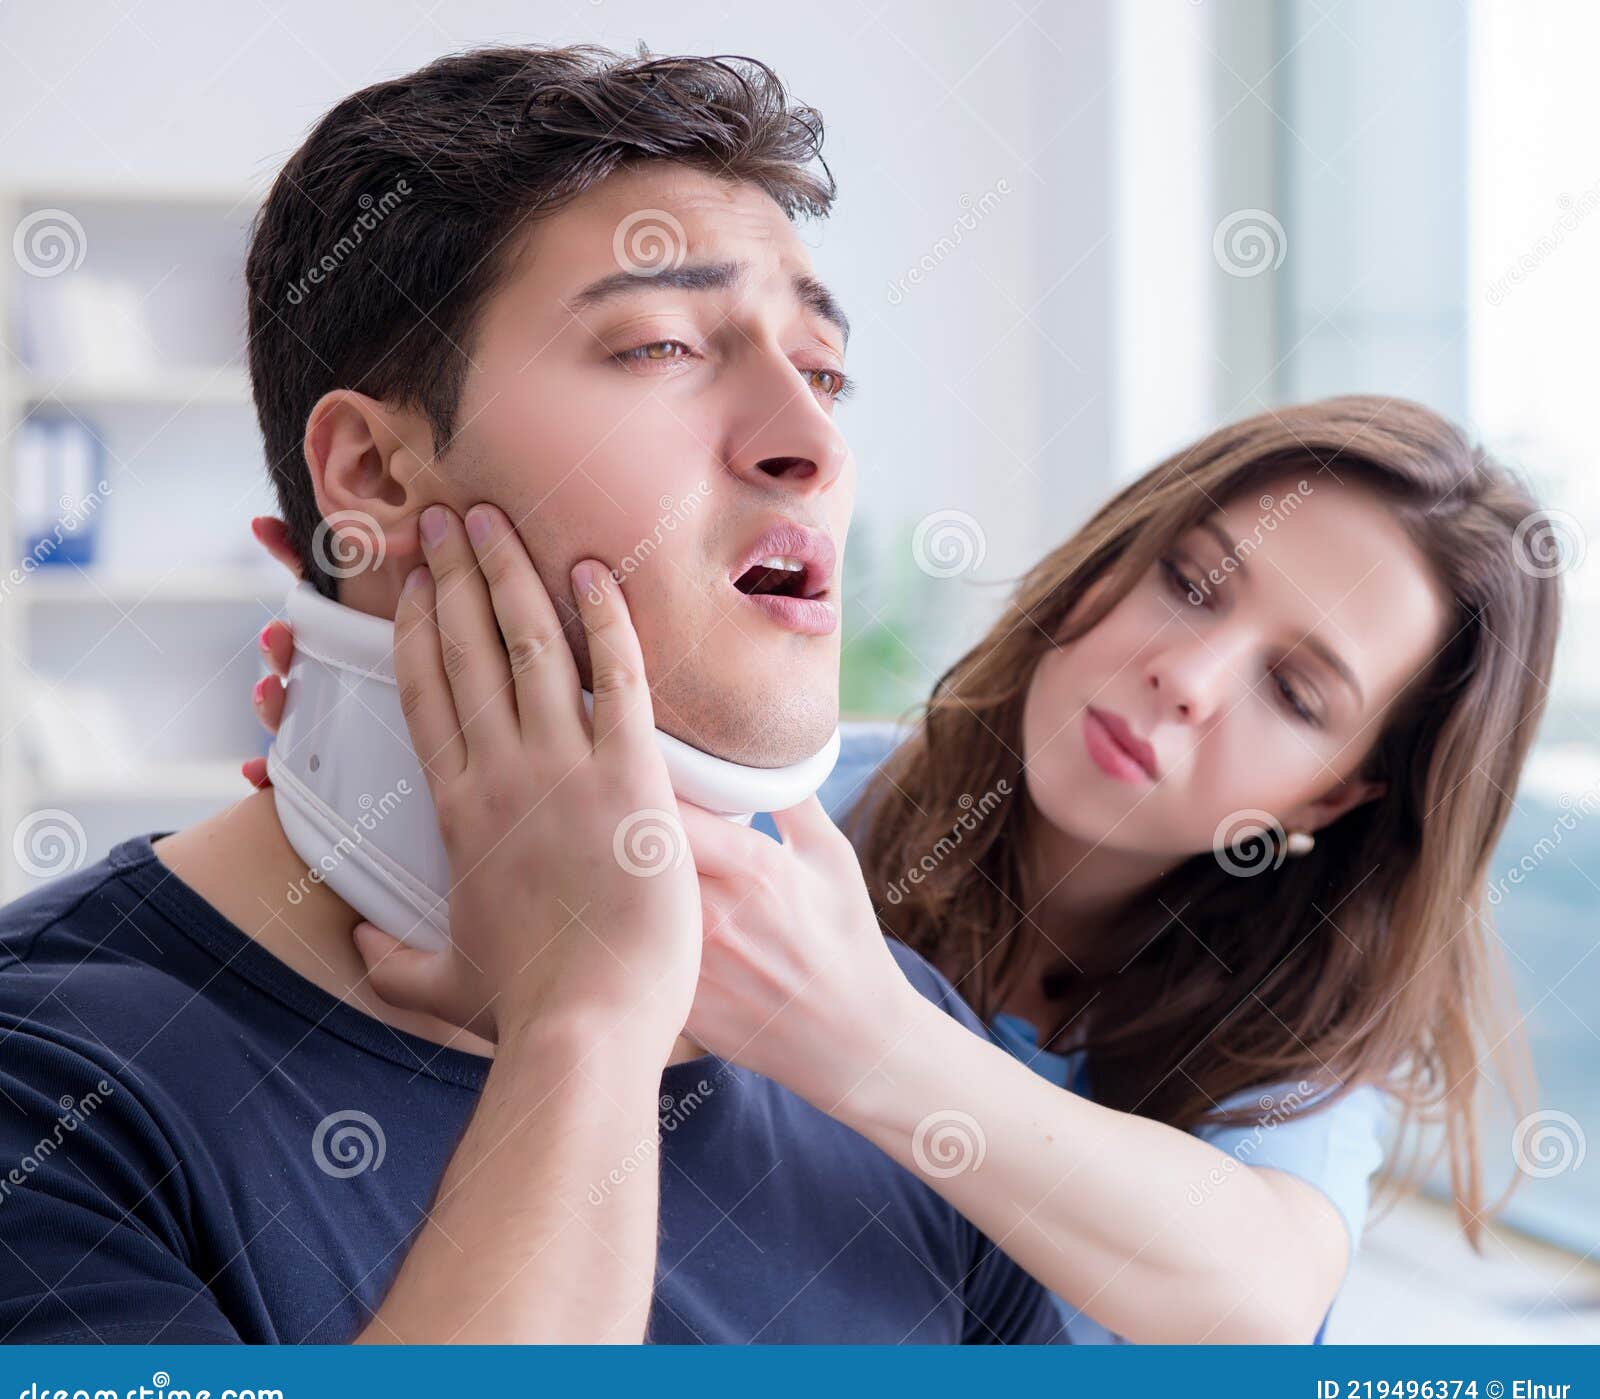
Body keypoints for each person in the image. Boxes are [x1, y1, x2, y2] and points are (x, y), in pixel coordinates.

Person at [0, 45, 1065, 1346]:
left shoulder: (881, 1041)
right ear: (378, 480)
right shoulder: (42, 1088)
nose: (814, 440)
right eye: (665, 343)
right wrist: (584, 1033)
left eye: (825, 369)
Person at [258, 396, 1561, 1343]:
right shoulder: (792, 800)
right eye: (1191, 583)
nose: (1187, 676)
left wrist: (855, 1034)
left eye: (1294, 689)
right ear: (1109, 567)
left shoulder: (1304, 1046)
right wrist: (363, 717)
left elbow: (1260, 1302)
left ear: (1335, 796)